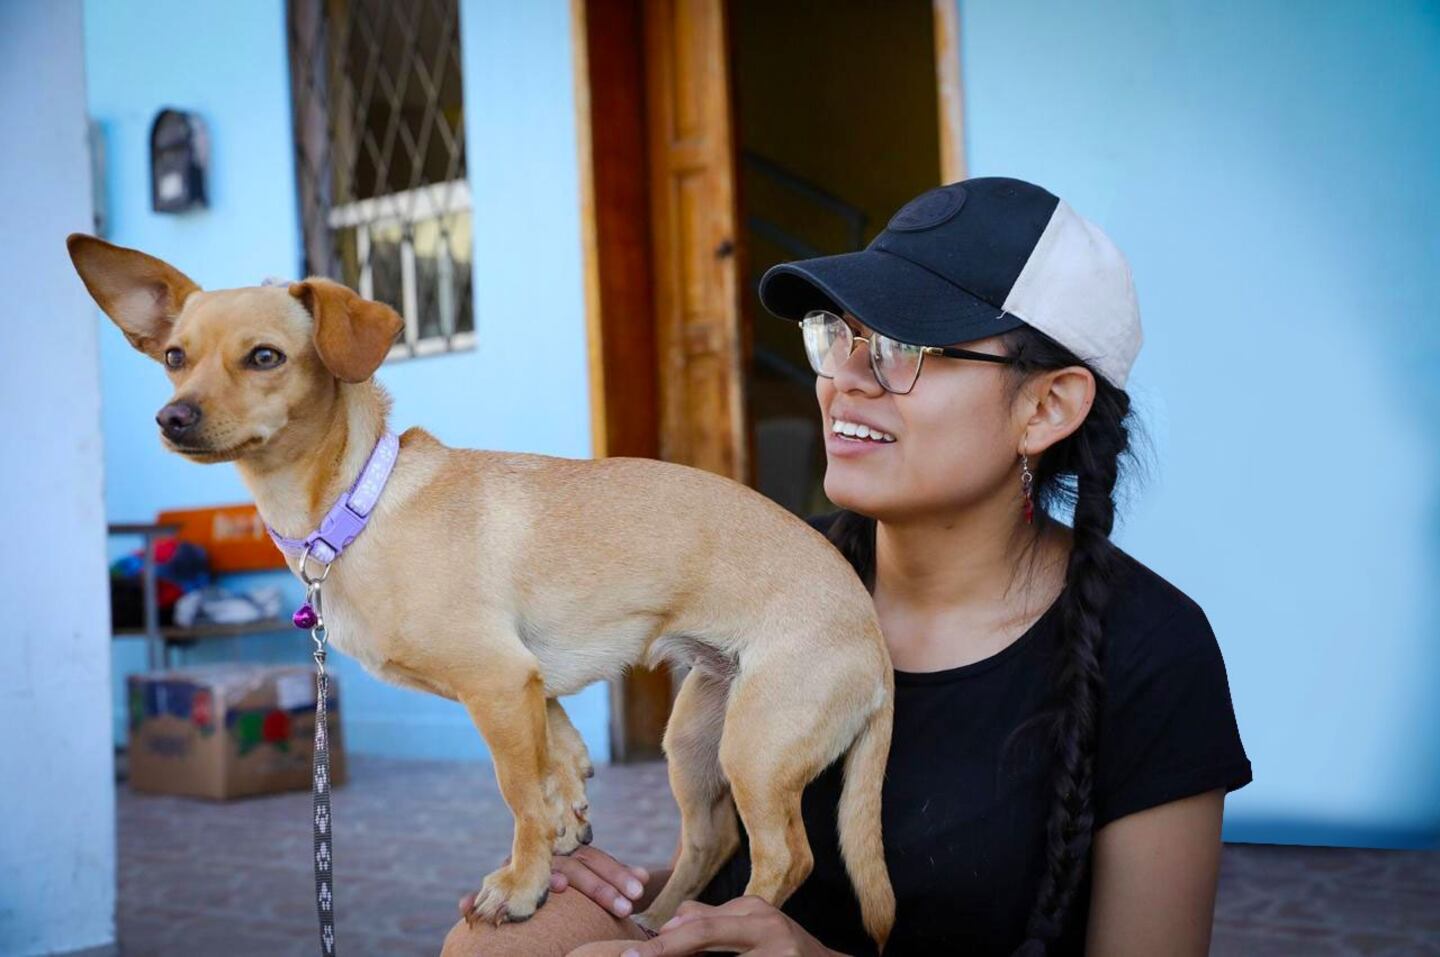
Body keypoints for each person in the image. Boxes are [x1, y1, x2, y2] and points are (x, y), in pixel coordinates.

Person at [442, 176, 1252, 957]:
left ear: (1047, 407)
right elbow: (748, 885)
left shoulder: (1151, 649)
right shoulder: (769, 574)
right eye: (839, 336)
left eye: (900, 347)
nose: (843, 383)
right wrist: (627, 896)